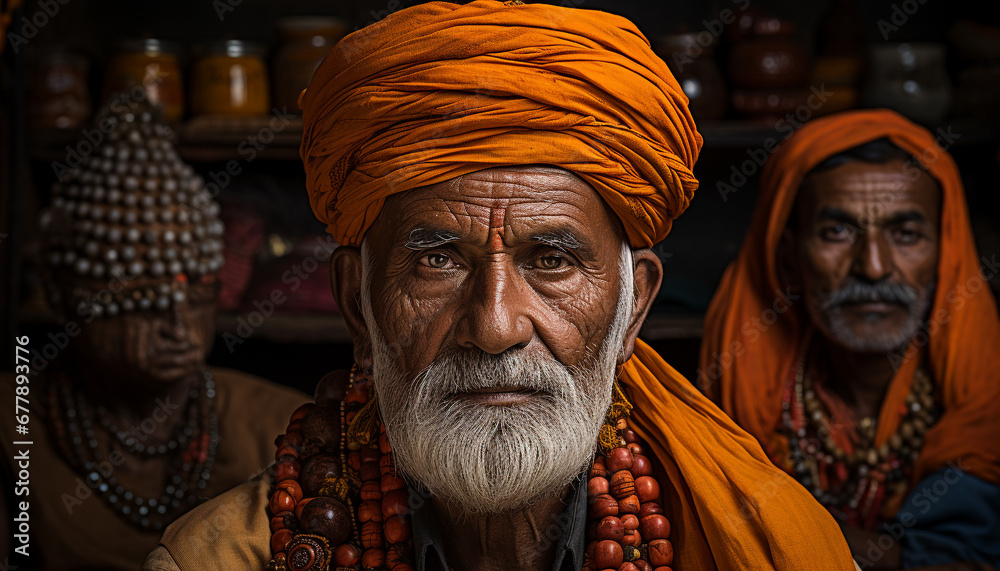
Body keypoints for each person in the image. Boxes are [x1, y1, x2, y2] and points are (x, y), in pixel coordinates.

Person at [144, 2, 859, 570]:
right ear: (357, 301)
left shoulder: (760, 545)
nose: (494, 326)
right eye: (436, 260)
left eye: (551, 260)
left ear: (633, 304)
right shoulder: (221, 559)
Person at [0, 104, 308, 570]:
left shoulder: (279, 423)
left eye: (198, 296)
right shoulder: (12, 424)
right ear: (65, 297)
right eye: (142, 302)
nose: (179, 329)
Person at [700, 109, 1000, 570]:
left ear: (946, 253)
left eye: (905, 234)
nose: (874, 266)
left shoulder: (981, 396)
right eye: (837, 232)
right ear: (788, 257)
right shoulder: (743, 387)